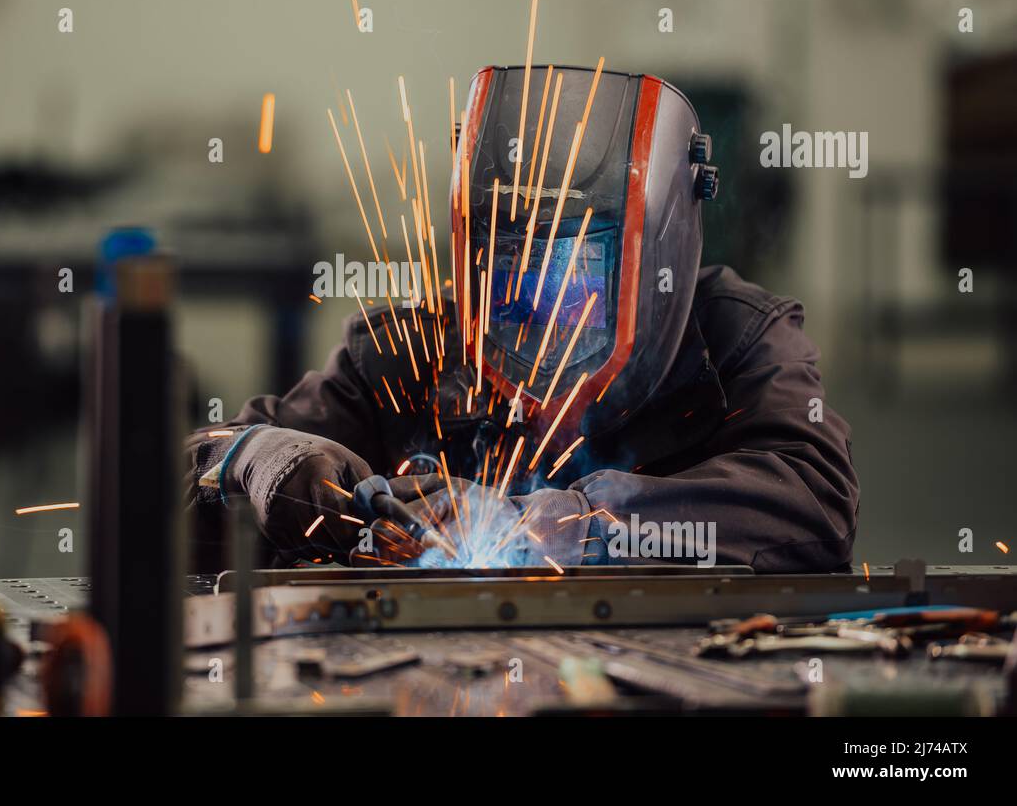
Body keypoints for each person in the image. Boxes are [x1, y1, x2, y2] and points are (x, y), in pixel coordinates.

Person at [184, 65, 858, 574]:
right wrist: (264, 461)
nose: (538, 309)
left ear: (658, 251)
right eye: (511, 269)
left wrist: (578, 526)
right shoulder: (408, 354)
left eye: (575, 278)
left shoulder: (736, 341)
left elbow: (813, 502)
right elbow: (178, 474)